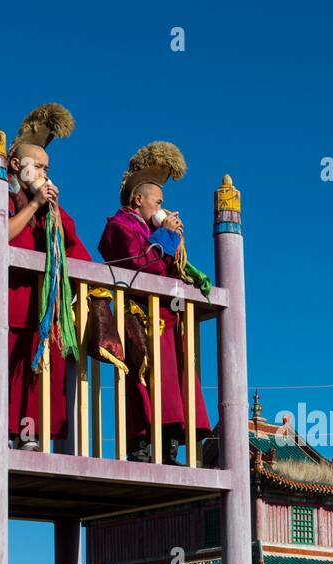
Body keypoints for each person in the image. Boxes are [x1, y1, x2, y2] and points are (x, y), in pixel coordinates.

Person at [98, 141, 212, 464]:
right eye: (159, 201)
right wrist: (164, 235)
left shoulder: (152, 230)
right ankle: (141, 446)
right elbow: (140, 263)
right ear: (139, 199)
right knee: (143, 379)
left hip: (168, 316)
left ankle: (168, 445)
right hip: (138, 317)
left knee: (173, 384)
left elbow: (166, 266)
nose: (163, 207)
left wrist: (176, 247)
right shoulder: (119, 226)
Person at [6, 103, 93, 450]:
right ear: (16, 165)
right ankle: (14, 435)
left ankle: (37, 438)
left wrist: (51, 207)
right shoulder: (4, 196)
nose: (44, 172)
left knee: (45, 378)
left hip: (46, 311)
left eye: (48, 167)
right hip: (12, 309)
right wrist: (32, 205)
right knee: (15, 376)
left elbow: (77, 251)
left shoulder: (50, 210)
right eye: (38, 165)